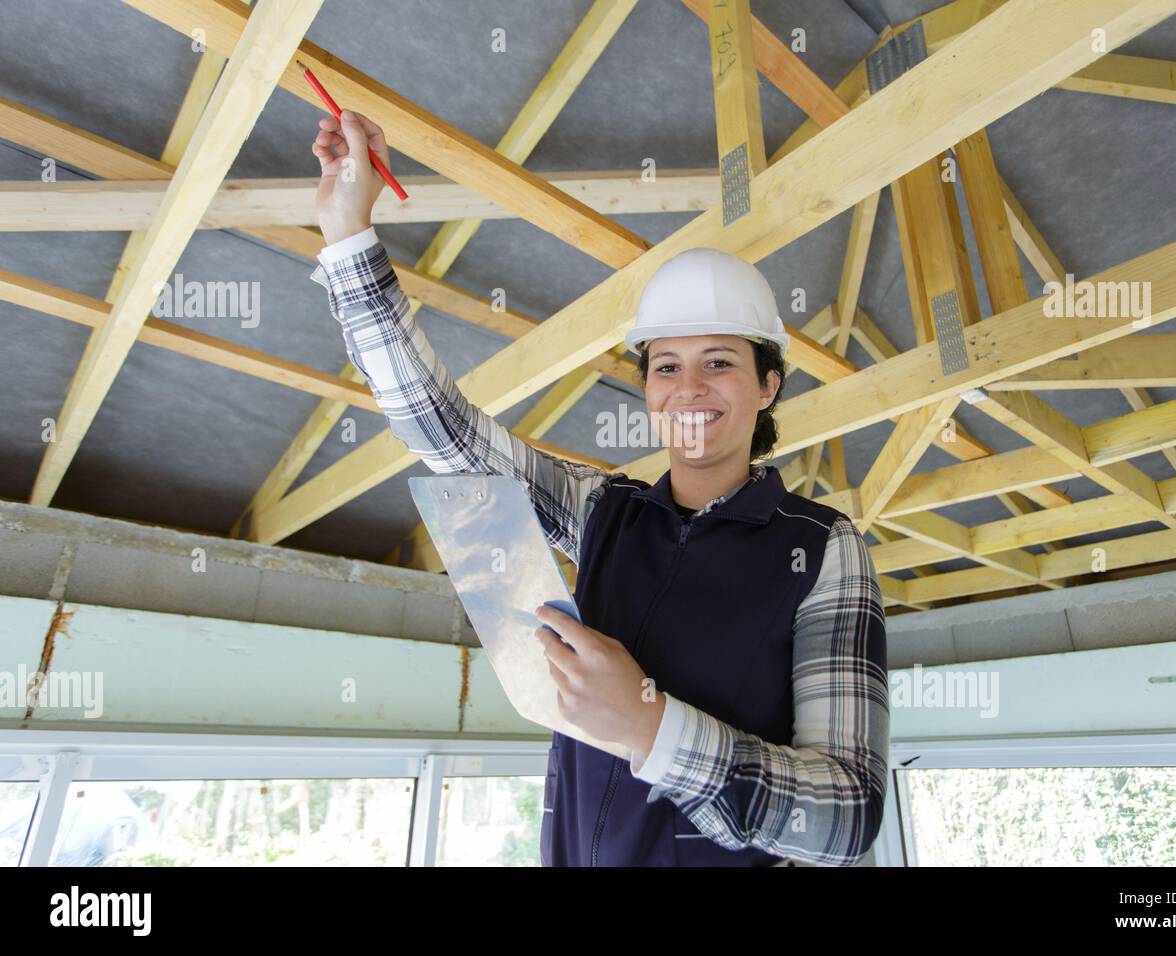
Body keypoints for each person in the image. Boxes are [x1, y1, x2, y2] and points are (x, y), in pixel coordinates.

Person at [310, 110, 889, 867]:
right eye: (666, 366)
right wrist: (348, 232)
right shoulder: (602, 512)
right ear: (647, 389)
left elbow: (847, 817)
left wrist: (652, 730)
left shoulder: (821, 549)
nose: (688, 390)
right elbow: (446, 433)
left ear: (768, 384)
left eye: (719, 362)